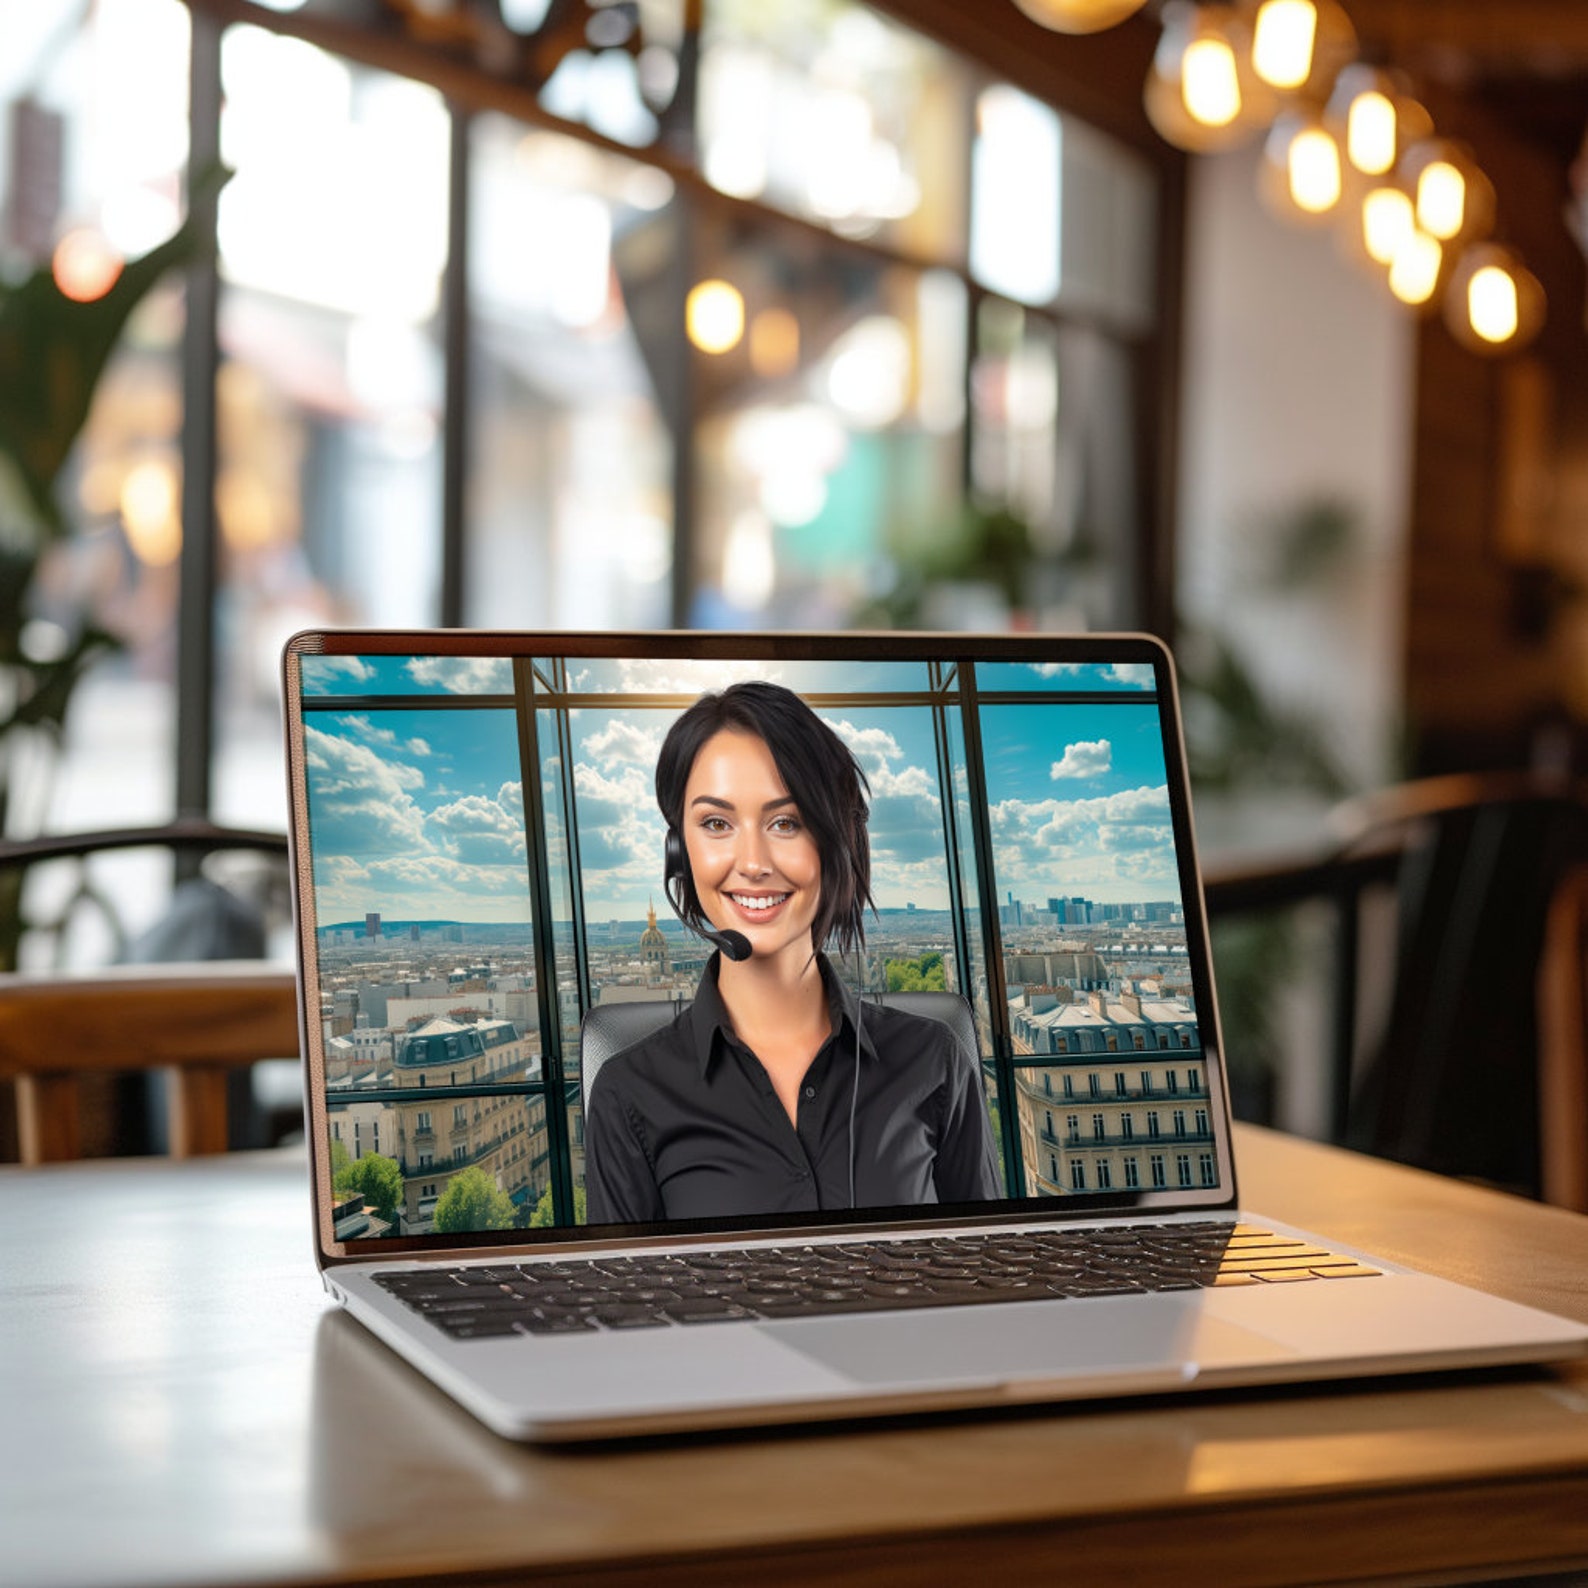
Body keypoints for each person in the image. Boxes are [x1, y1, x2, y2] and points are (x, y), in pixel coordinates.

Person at [583, 680, 1002, 1225]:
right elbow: (625, 1307)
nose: (753, 861)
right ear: (678, 852)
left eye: (786, 822)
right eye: (716, 823)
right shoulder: (628, 1094)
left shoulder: (935, 1060)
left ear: (837, 845)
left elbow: (993, 1274)